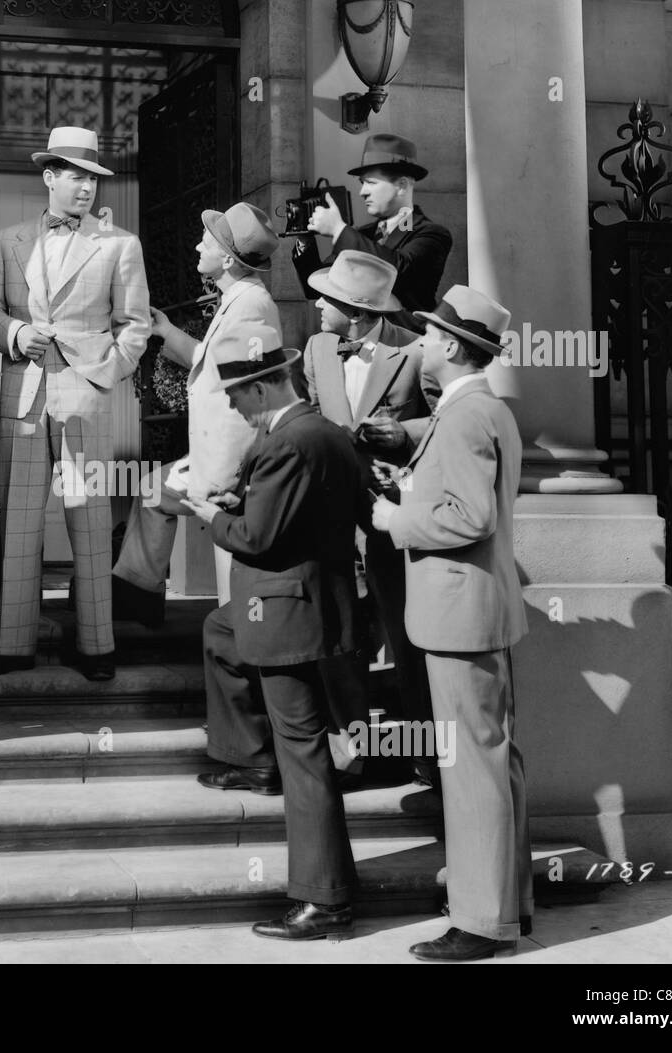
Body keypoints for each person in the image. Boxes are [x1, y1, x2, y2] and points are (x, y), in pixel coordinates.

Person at [370, 285, 532, 961]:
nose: (423, 342)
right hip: (475, 609)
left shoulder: (465, 415)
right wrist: (407, 487)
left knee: (471, 771)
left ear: (454, 347)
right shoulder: (480, 408)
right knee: (496, 765)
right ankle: (505, 903)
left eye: (432, 334)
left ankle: (479, 921)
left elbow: (470, 517)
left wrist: (396, 519)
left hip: (459, 614)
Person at [185, 323, 363, 941]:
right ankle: (328, 890)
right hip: (315, 609)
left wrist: (209, 514)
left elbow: (258, 539)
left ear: (261, 388)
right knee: (306, 752)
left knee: (304, 759)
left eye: (235, 393)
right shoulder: (325, 433)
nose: (231, 405)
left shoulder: (286, 443)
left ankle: (324, 899)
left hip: (287, 615)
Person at [0, 126, 150, 682]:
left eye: (94, 178)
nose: (87, 188)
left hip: (84, 398)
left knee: (90, 522)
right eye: (76, 176)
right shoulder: (5, 241)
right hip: (22, 395)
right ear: (49, 176)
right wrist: (16, 336)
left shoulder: (120, 243)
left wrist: (104, 375)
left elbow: (135, 326)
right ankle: (12, 645)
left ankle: (97, 646)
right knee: (18, 525)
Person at [303, 250, 437, 787]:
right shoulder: (316, 348)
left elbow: (447, 417)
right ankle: (350, 753)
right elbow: (313, 415)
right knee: (340, 640)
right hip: (334, 518)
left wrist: (402, 439)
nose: (316, 304)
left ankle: (426, 758)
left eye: (327, 299)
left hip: (394, 519)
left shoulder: (415, 350)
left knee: (408, 639)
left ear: (355, 312)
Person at [112, 202, 281, 626]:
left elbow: (256, 391)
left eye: (206, 240)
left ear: (227, 258)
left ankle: (236, 635)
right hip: (213, 461)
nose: (196, 245)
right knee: (152, 491)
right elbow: (216, 363)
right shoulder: (237, 299)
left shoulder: (251, 306)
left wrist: (227, 479)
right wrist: (167, 331)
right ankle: (138, 598)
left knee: (230, 555)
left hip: (230, 466)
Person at [291, 133, 451, 332]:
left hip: (405, 346)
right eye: (362, 183)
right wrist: (305, 240)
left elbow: (398, 270)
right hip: (360, 344)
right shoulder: (361, 235)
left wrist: (338, 230)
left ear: (401, 186)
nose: (362, 192)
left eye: (371, 183)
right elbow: (318, 287)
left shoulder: (431, 233)